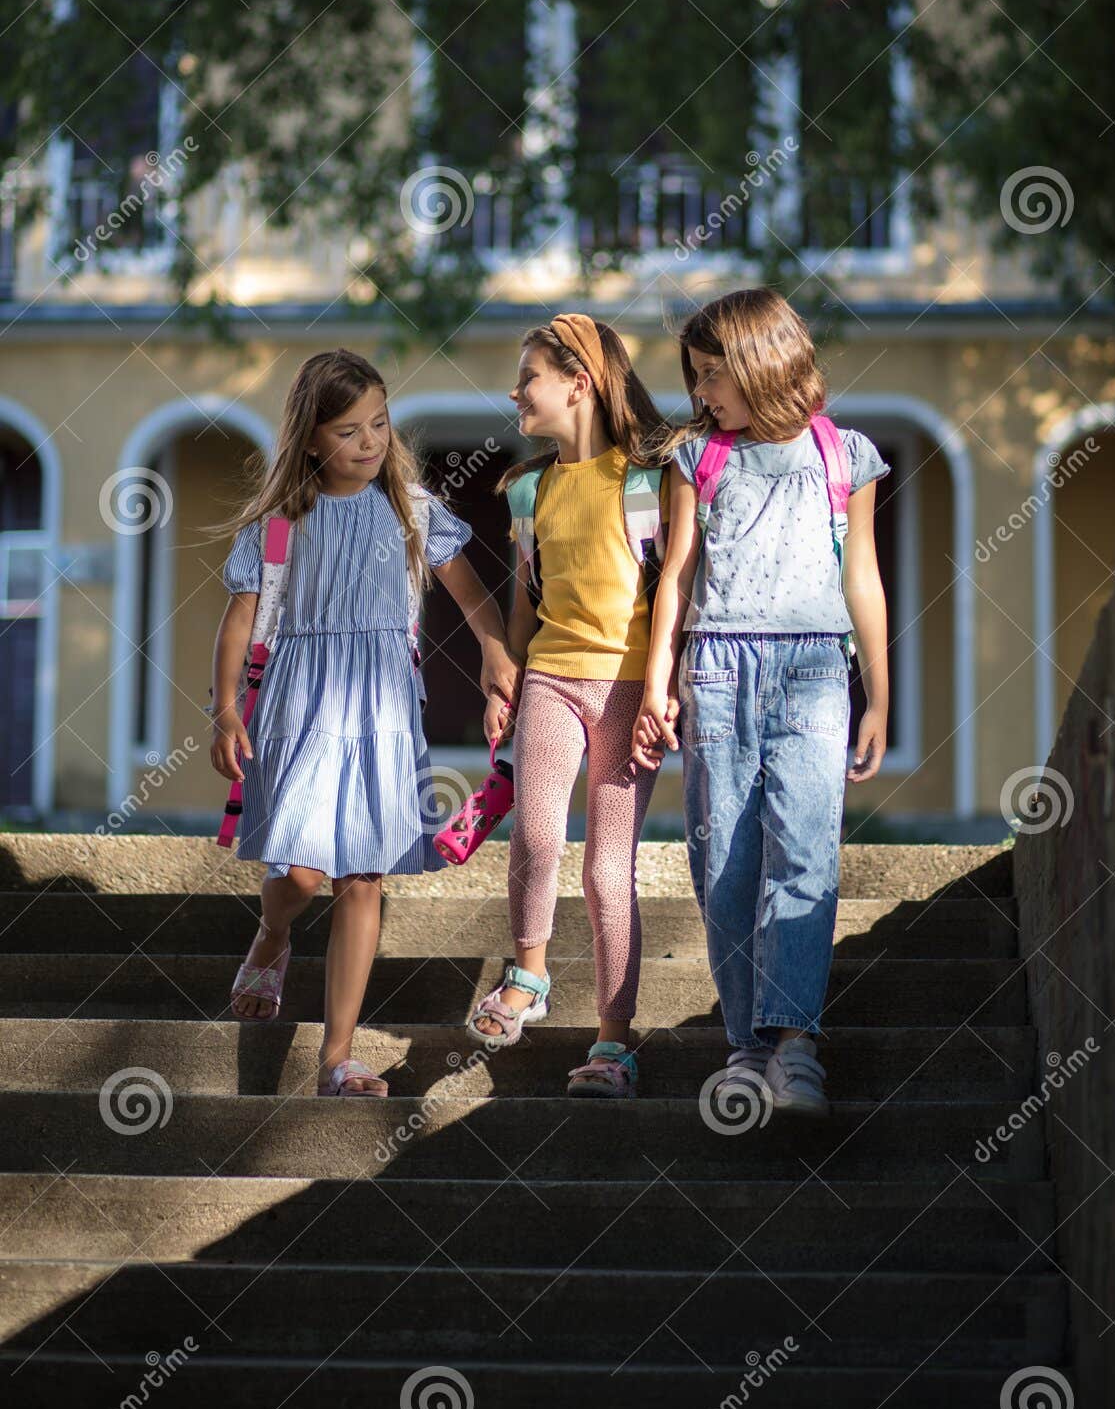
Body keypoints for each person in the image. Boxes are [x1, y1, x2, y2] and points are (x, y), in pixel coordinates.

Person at [209, 347, 518, 1096]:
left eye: (379, 423)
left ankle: (336, 1058)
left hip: (382, 708)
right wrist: (223, 709)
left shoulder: (409, 507)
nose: (371, 442)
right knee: (306, 873)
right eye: (349, 431)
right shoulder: (282, 523)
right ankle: (274, 931)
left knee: (362, 876)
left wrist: (494, 652)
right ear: (311, 439)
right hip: (300, 704)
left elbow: (471, 590)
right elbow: (241, 619)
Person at [632, 289, 889, 1116]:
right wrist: (654, 682)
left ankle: (794, 1043)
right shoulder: (696, 459)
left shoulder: (845, 456)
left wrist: (878, 695)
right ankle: (744, 1046)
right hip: (715, 671)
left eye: (713, 375)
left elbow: (863, 580)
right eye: (697, 377)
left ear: (760, 362)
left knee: (805, 852)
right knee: (726, 864)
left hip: (816, 670)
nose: (701, 393)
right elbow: (672, 577)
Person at [469, 314, 671, 1099]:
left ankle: (614, 1044)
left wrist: (667, 687)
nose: (515, 391)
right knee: (537, 831)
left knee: (605, 870)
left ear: (578, 382)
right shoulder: (527, 488)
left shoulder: (652, 480)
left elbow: (676, 595)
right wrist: (506, 683)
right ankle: (528, 972)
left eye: (529, 378)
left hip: (626, 688)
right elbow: (526, 600)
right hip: (551, 676)